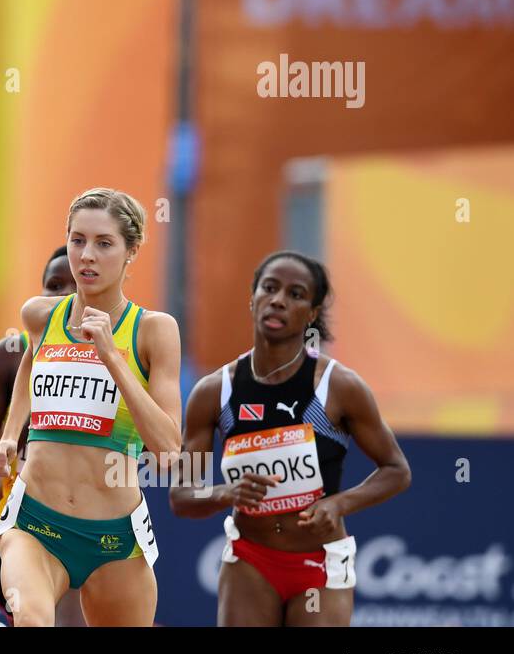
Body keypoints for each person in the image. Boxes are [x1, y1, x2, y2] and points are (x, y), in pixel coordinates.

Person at [169, 251, 410, 626]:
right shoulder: (214, 392)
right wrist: (225, 493)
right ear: (253, 299)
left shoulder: (338, 387)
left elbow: (396, 470)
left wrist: (339, 505)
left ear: (311, 314)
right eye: (270, 288)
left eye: (296, 294)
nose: (279, 299)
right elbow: (182, 496)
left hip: (319, 561)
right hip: (250, 560)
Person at [0, 188, 181, 626]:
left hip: (114, 539)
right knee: (31, 619)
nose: (86, 256)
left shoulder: (154, 331)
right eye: (77, 240)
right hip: (34, 522)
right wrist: (10, 436)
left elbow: (168, 451)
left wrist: (112, 356)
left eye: (104, 243)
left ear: (131, 252)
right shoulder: (40, 316)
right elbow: (30, 365)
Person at [0, 245, 85, 625]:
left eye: (74, 284)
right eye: (54, 284)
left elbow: (150, 453)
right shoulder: (12, 355)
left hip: (97, 525)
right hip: (28, 524)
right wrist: (18, 446)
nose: (63, 294)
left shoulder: (126, 346)